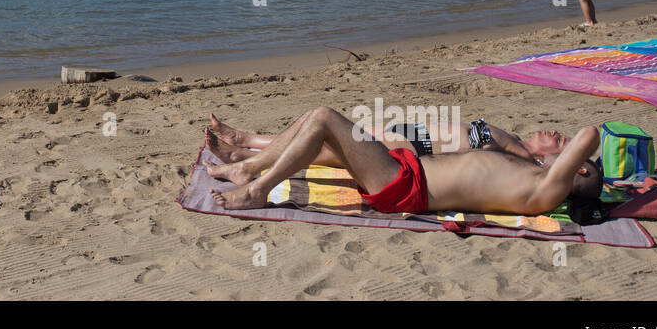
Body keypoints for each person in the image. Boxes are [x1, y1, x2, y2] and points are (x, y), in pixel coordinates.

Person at [204, 107, 602, 216]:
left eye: (572, 156)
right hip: (404, 170)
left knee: (325, 117)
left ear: (578, 168)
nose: (564, 143)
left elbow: (590, 134)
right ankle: (244, 164)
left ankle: (258, 188)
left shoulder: (547, 190)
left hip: (405, 185)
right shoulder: (536, 178)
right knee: (317, 121)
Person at [207, 114, 573, 167]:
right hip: (414, 133)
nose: (555, 132)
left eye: (560, 141)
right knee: (328, 142)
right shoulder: (514, 142)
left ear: (550, 158)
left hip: (415, 147)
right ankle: (247, 141)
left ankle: (245, 153)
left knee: (328, 147)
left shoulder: (516, 156)